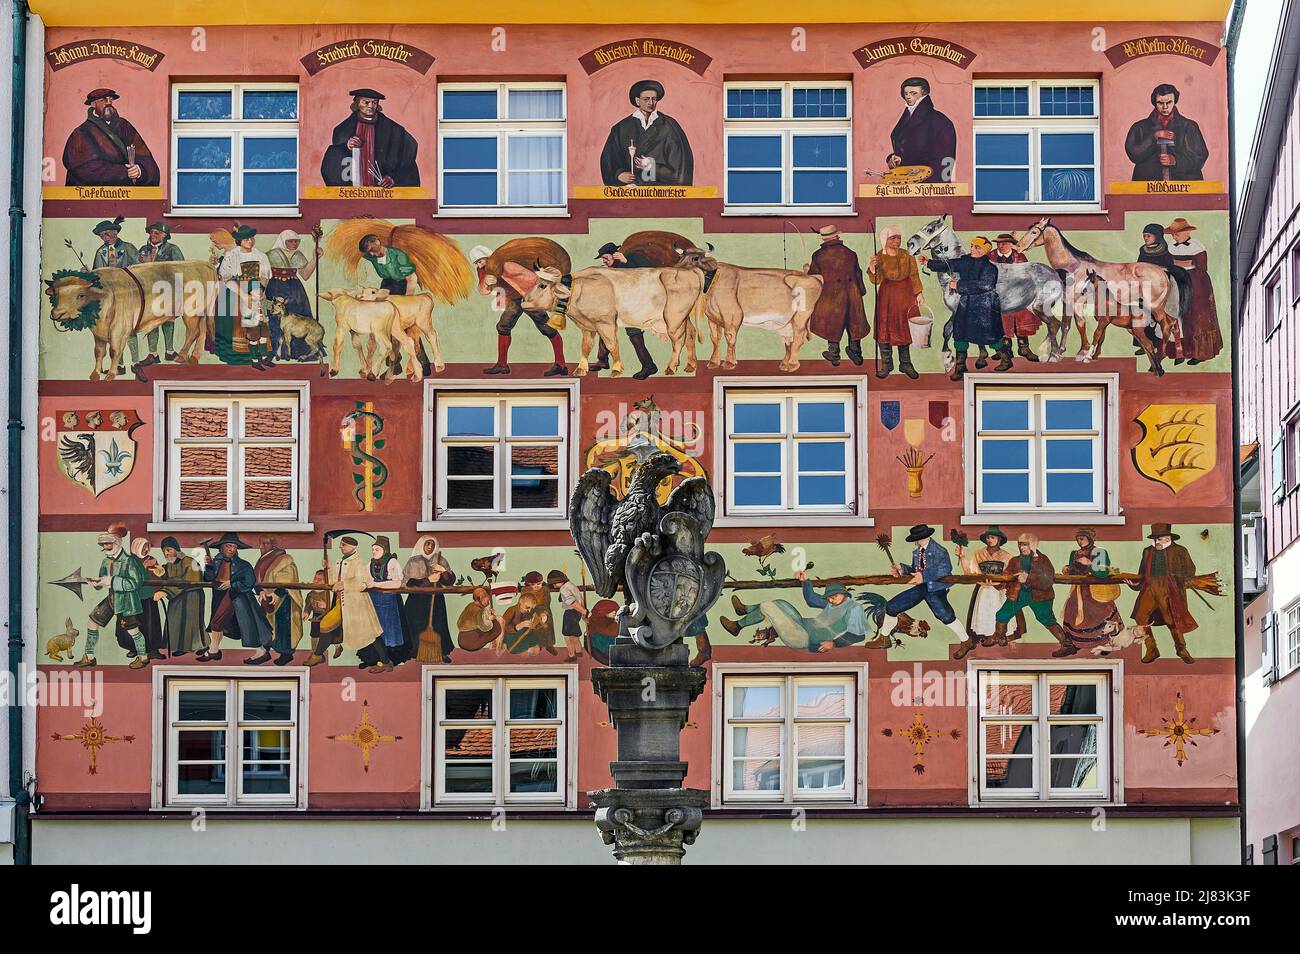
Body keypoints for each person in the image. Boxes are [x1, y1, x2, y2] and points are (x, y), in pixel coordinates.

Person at [877, 525, 974, 658]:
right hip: (922, 587)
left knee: (946, 616)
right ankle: (884, 638)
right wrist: (902, 569)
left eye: (916, 539)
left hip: (936, 588)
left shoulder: (940, 551)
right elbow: (915, 569)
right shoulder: (917, 552)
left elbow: (945, 569)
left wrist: (923, 576)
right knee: (892, 606)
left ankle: (966, 641)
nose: (915, 542)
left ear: (922, 538)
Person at [920, 236, 1009, 379]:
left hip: (984, 307)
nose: (972, 248)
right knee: (960, 335)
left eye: (977, 247)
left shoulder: (990, 268)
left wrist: (959, 286)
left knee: (991, 337)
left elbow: (986, 285)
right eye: (972, 245)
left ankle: (1006, 359)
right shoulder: (965, 261)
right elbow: (949, 265)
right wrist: (928, 262)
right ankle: (960, 368)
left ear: (985, 251)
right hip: (966, 304)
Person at [720, 571, 870, 653]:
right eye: (829, 597)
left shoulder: (853, 609)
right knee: (780, 603)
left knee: (768, 606)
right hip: (801, 624)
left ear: (845, 595)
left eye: (834, 596)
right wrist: (806, 581)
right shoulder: (832, 604)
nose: (830, 600)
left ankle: (738, 625)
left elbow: (858, 635)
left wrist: (834, 643)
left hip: (803, 637)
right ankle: (744, 610)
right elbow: (811, 600)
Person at [73, 524, 150, 670]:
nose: (106, 547)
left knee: (133, 630)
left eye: (109, 543)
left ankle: (143, 657)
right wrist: (96, 582)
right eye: (104, 544)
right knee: (92, 622)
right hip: (112, 598)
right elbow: (103, 581)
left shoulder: (130, 561)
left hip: (127, 601)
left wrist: (112, 581)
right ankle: (89, 657)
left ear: (118, 543)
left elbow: (135, 583)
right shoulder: (106, 561)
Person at [358, 233, 433, 375]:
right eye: (370, 252)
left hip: (402, 288)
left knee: (409, 329)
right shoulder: (371, 256)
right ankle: (393, 364)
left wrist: (408, 301)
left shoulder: (399, 256)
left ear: (378, 241)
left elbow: (411, 278)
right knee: (387, 327)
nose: (373, 254)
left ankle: (422, 364)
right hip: (386, 287)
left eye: (373, 249)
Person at [990, 532, 1074, 656]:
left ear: (1033, 545)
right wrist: (997, 582)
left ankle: (1067, 645)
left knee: (1047, 620)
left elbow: (1047, 580)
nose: (1022, 547)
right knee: (1002, 614)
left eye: (1025, 544)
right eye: (1020, 544)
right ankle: (1000, 637)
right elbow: (1006, 577)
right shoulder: (1015, 560)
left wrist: (1028, 578)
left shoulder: (1042, 559)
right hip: (1019, 593)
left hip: (1040, 595)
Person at [599, 80, 694, 187]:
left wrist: (651, 167)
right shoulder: (621, 128)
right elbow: (609, 160)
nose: (651, 103)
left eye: (654, 99)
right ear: (637, 101)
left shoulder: (669, 126)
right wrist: (618, 174)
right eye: (646, 99)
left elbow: (680, 168)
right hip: (630, 192)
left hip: (662, 191)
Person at [321, 88, 420, 187]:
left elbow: (410, 149)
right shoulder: (342, 129)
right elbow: (334, 160)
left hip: (383, 188)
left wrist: (394, 177)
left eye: (374, 103)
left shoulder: (393, 129)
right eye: (366, 102)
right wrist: (346, 146)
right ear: (357, 103)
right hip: (353, 189)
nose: (371, 106)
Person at [197, 533, 272, 662]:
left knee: (249, 626)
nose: (232, 549)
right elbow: (209, 578)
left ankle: (262, 652)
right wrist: (208, 565)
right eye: (228, 546)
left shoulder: (243, 565)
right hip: (220, 597)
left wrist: (232, 584)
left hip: (239, 598)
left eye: (234, 546)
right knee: (217, 623)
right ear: (221, 547)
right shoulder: (216, 561)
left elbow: (249, 581)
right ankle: (214, 650)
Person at [1129, 523, 1198, 664]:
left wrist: (1179, 579)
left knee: (1172, 619)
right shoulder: (1148, 551)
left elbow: (1190, 570)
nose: (1158, 542)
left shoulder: (1180, 551)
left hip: (1169, 589)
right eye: (1156, 539)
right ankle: (1151, 648)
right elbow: (1142, 573)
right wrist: (1135, 585)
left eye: (1161, 538)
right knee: (1140, 617)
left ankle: (1181, 648)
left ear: (1168, 538)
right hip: (1149, 588)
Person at [62, 88, 160, 187]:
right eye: (103, 100)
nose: (108, 103)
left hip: (127, 196)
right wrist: (125, 172)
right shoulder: (81, 133)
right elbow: (85, 168)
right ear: (93, 104)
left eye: (110, 99)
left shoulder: (124, 126)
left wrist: (139, 171)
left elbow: (145, 157)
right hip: (91, 197)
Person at [589, 242, 658, 378]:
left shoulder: (631, 260)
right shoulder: (609, 270)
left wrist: (625, 261)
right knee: (605, 330)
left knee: (635, 338)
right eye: (603, 259)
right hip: (616, 307)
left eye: (606, 258)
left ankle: (649, 366)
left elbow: (648, 274)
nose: (604, 261)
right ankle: (602, 360)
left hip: (633, 307)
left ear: (615, 255)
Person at [807, 225, 869, 368]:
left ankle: (834, 355)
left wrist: (806, 271)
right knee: (854, 323)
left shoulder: (818, 255)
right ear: (837, 237)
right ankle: (856, 353)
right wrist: (860, 291)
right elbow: (858, 273)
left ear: (824, 239)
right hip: (852, 293)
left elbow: (813, 277)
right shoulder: (851, 253)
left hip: (831, 295)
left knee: (832, 323)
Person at [866, 226, 924, 379]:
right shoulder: (879, 256)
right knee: (884, 327)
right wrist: (872, 269)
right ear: (885, 239)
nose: (897, 241)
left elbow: (914, 274)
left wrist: (919, 293)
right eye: (893, 238)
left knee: (904, 327)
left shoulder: (907, 255)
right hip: (887, 296)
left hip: (906, 294)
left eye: (898, 237)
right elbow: (876, 280)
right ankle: (887, 363)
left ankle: (905, 363)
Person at [1163, 218, 1222, 364]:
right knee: (1178, 315)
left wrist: (1182, 264)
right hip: (1177, 280)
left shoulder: (1197, 246)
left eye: (1177, 233)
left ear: (1187, 232)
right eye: (1173, 234)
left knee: (1197, 317)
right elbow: (1169, 264)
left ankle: (1200, 353)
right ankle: (1182, 351)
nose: (1174, 237)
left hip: (1196, 283)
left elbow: (1201, 267)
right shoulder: (1171, 246)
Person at [215, 224, 273, 368]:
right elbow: (226, 278)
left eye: (251, 238)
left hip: (257, 293)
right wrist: (243, 295)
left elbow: (265, 275)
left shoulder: (261, 255)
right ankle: (244, 357)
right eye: (246, 239)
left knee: (261, 326)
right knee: (243, 325)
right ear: (239, 240)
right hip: (236, 292)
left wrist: (261, 290)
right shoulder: (232, 255)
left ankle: (263, 356)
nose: (250, 241)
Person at [1124, 84, 1209, 181]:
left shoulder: (1189, 126)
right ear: (1154, 103)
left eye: (1169, 102)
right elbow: (1133, 153)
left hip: (1184, 187)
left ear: (1175, 101)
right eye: (1160, 103)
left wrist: (1176, 161)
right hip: (1148, 187)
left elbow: (1200, 156)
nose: (1165, 107)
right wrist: (1153, 137)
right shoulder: (1140, 127)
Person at [1061, 528, 1123, 652]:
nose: (1079, 542)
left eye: (1082, 539)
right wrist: (1068, 570)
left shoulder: (1099, 552)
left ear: (1089, 538)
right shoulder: (1075, 553)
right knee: (1072, 611)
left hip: (1095, 589)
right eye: (1078, 539)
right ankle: (1075, 644)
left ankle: (1106, 643)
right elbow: (1073, 572)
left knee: (1100, 613)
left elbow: (1103, 572)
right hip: (1078, 589)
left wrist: (1089, 564)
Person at [324, 536, 384, 661]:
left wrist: (344, 584)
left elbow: (363, 583)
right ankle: (335, 647)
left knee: (368, 635)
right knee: (334, 626)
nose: (340, 547)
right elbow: (332, 580)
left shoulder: (359, 562)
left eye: (343, 545)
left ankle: (385, 660)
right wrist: (327, 568)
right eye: (340, 545)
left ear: (353, 547)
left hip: (356, 604)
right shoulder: (338, 561)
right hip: (339, 601)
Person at [886, 77, 957, 184]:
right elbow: (906, 148)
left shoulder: (939, 121)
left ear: (924, 93)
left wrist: (904, 161)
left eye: (913, 93)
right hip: (905, 183)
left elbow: (944, 160)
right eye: (906, 93)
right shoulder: (907, 116)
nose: (908, 97)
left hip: (929, 185)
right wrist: (893, 158)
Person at [956, 526, 1018, 645]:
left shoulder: (1007, 556)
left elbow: (1012, 575)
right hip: (984, 589)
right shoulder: (978, 554)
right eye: (988, 537)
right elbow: (969, 572)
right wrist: (962, 556)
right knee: (985, 613)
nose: (989, 539)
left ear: (999, 539)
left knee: (999, 613)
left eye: (992, 537)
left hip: (999, 591)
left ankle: (1000, 636)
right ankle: (987, 636)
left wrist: (1002, 581)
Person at [135, 221, 185, 367]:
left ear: (165, 236)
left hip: (168, 290)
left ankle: (169, 351)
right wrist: (143, 264)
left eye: (157, 233)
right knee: (151, 323)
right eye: (151, 232)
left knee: (168, 320)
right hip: (148, 292)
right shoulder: (143, 249)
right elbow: (135, 270)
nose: (153, 235)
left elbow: (180, 268)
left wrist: (156, 265)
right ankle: (153, 354)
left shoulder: (172, 249)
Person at [266, 229, 319, 361]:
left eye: (297, 241)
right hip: (275, 287)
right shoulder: (272, 254)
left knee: (299, 320)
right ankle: (275, 351)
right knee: (275, 320)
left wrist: (315, 258)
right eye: (291, 241)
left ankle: (296, 352)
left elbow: (305, 275)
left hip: (295, 290)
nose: (294, 244)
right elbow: (264, 275)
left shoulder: (298, 255)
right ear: (283, 241)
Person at [403, 535, 456, 664]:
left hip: (435, 598)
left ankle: (441, 652)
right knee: (416, 626)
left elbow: (450, 581)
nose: (430, 547)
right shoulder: (413, 561)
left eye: (432, 545)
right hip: (417, 601)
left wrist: (442, 571)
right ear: (421, 545)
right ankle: (416, 651)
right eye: (427, 544)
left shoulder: (440, 560)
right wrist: (428, 580)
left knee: (438, 626)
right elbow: (408, 583)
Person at [989, 233, 1040, 362]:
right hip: (998, 295)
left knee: (1022, 320)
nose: (1001, 246)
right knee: (1002, 322)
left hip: (1017, 295)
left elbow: (1028, 273)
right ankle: (1005, 350)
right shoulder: (990, 256)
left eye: (1004, 243)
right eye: (999, 243)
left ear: (1011, 244)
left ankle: (1024, 348)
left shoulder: (1020, 256)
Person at [360, 536, 408, 673]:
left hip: (389, 601)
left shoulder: (392, 562)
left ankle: (389, 661)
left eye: (377, 549)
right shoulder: (370, 564)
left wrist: (376, 584)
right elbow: (365, 579)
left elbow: (398, 583)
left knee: (388, 632)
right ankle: (374, 659)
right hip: (373, 600)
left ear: (384, 549)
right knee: (373, 631)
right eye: (372, 549)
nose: (373, 552)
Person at [252, 536, 302, 666]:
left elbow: (289, 577)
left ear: (273, 544)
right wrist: (260, 591)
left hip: (284, 598)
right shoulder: (262, 560)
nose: (261, 546)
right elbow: (256, 578)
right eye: (260, 543)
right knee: (265, 624)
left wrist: (278, 593)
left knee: (283, 626)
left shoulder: (284, 559)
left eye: (265, 543)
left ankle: (286, 654)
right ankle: (264, 651)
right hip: (266, 598)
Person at [153, 536, 207, 657]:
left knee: (192, 623)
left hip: (191, 597)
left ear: (176, 549)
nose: (166, 554)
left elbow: (187, 581)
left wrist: (165, 591)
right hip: (176, 597)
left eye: (169, 550)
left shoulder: (190, 562)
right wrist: (162, 574)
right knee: (175, 622)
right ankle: (180, 646)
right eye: (164, 551)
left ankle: (201, 646)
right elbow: (169, 579)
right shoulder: (169, 564)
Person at [129, 538, 167, 660]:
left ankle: (152, 649)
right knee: (134, 624)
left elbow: (159, 575)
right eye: (143, 547)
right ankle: (134, 648)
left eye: (147, 547)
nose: (145, 550)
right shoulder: (129, 561)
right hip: (134, 598)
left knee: (151, 623)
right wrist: (143, 567)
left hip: (149, 597)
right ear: (136, 547)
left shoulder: (151, 559)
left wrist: (159, 571)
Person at [548, 570, 587, 662]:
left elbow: (572, 602)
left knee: (567, 636)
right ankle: (578, 651)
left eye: (554, 583)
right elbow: (580, 599)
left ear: (560, 581)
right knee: (575, 633)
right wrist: (582, 611)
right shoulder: (571, 585)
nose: (554, 586)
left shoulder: (564, 589)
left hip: (570, 612)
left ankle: (571, 656)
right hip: (577, 612)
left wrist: (584, 611)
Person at [457, 586, 503, 652]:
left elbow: (460, 623)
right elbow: (485, 627)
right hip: (472, 641)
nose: (488, 602)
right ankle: (496, 646)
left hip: (461, 640)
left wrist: (488, 615)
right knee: (497, 627)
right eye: (487, 600)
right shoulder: (479, 611)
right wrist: (491, 618)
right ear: (481, 599)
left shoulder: (470, 605)